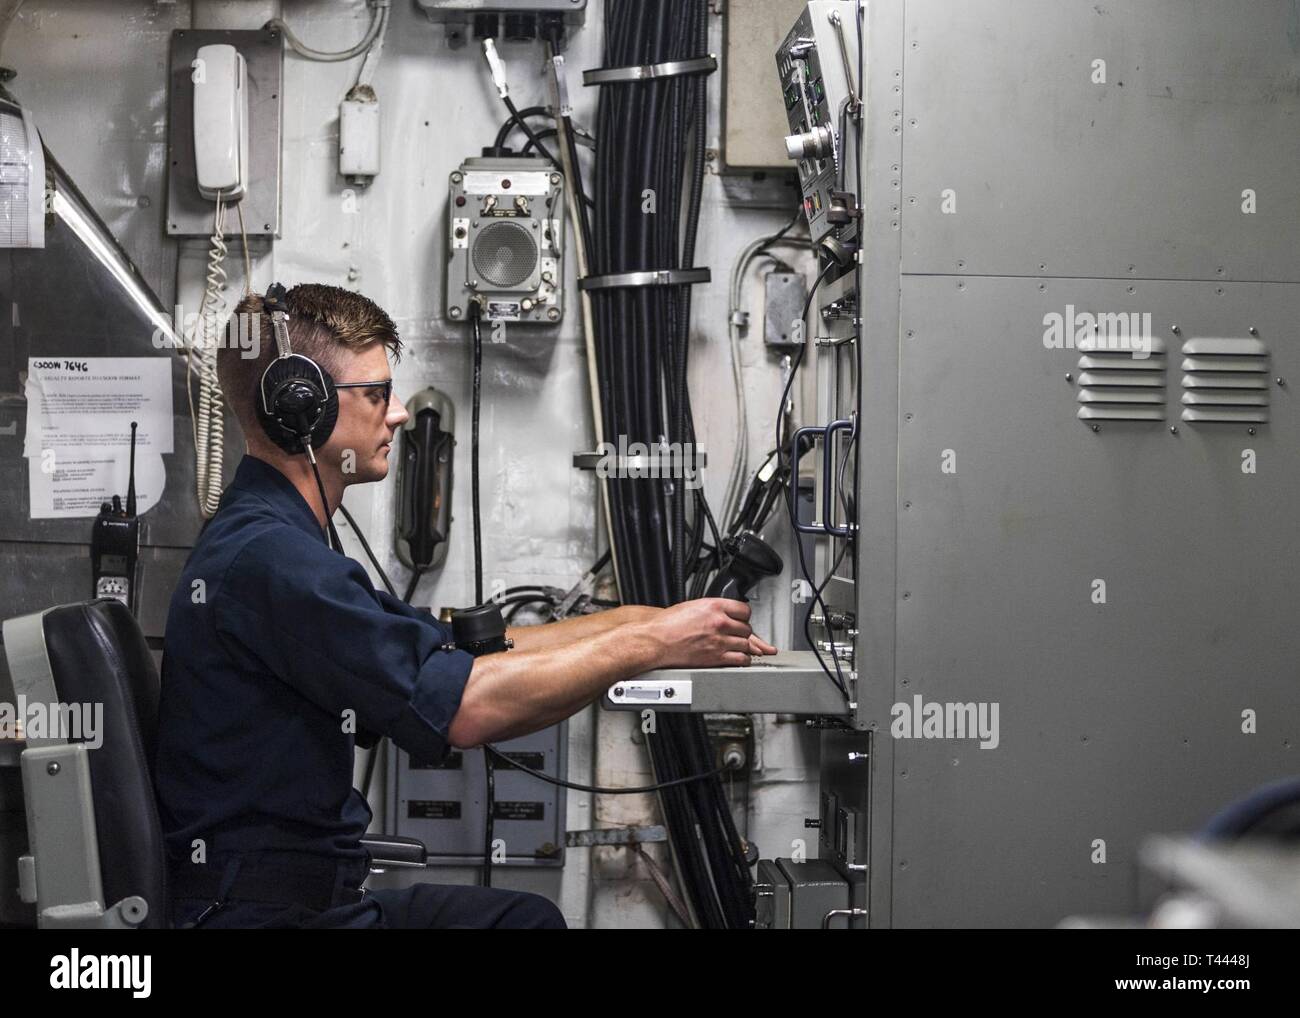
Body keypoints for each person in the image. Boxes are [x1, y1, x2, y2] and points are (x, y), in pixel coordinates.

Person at [153, 283, 777, 929]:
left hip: (289, 899)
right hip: (262, 916)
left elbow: (452, 650)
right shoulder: (273, 560)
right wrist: (645, 648)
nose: (397, 413)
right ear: (300, 408)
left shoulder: (274, 541)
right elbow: (467, 707)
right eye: (375, 393)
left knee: (521, 918)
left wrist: (637, 620)